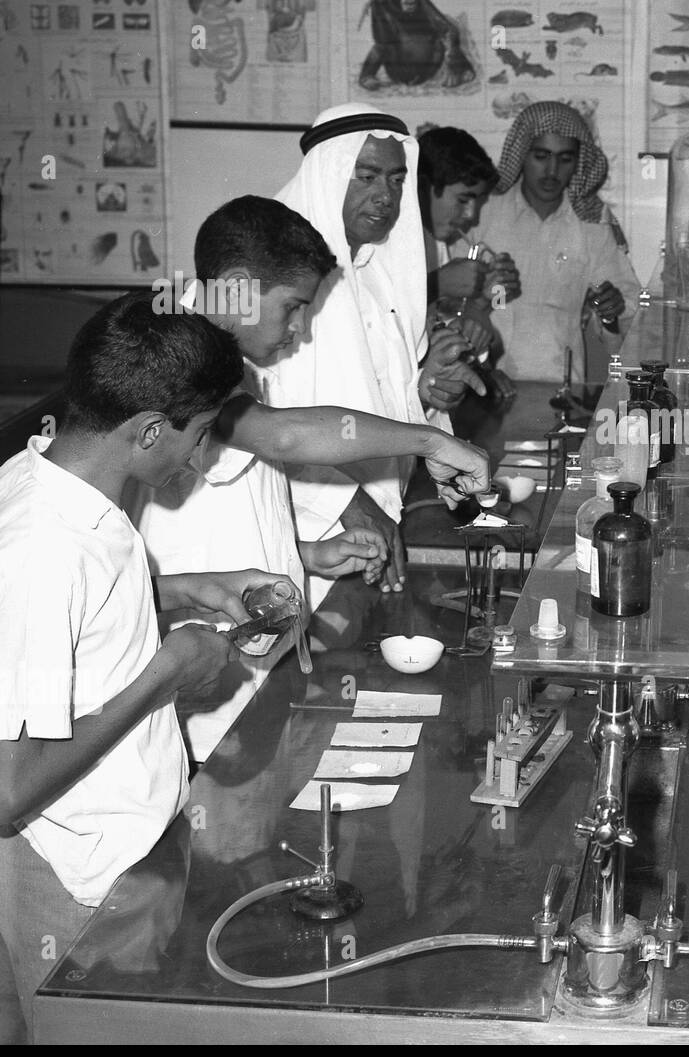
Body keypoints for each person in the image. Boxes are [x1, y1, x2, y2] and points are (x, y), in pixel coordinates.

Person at [0, 293, 295, 1043]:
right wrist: (165, 678)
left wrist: (193, 588)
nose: (204, 457)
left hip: (135, 848)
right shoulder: (43, 545)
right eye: (199, 437)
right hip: (81, 884)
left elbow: (75, 625)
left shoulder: (71, 492)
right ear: (149, 430)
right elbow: (8, 788)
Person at [129, 196, 491, 761]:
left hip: (242, 650)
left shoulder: (230, 365)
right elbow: (286, 438)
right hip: (195, 666)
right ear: (240, 287)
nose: (298, 330)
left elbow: (230, 503)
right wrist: (432, 440)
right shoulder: (177, 361)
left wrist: (306, 555)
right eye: (293, 307)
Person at [266, 103, 485, 606]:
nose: (385, 196)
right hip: (301, 534)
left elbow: (387, 392)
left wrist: (428, 391)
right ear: (329, 172)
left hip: (376, 530)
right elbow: (248, 425)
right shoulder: (270, 281)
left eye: (395, 180)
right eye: (366, 176)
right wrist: (348, 501)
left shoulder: (382, 274)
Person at [471, 101, 640, 383]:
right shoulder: (482, 212)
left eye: (565, 159)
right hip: (486, 380)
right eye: (541, 156)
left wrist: (613, 308)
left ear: (578, 161)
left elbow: (630, 306)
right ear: (522, 154)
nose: (552, 171)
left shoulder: (592, 225)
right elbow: (452, 303)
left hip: (560, 388)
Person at [416, 125, 517, 393]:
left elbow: (431, 336)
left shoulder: (436, 243)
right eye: (463, 200)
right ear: (425, 188)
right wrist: (439, 284)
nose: (472, 215)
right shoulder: (385, 240)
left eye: (478, 202)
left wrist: (481, 303)